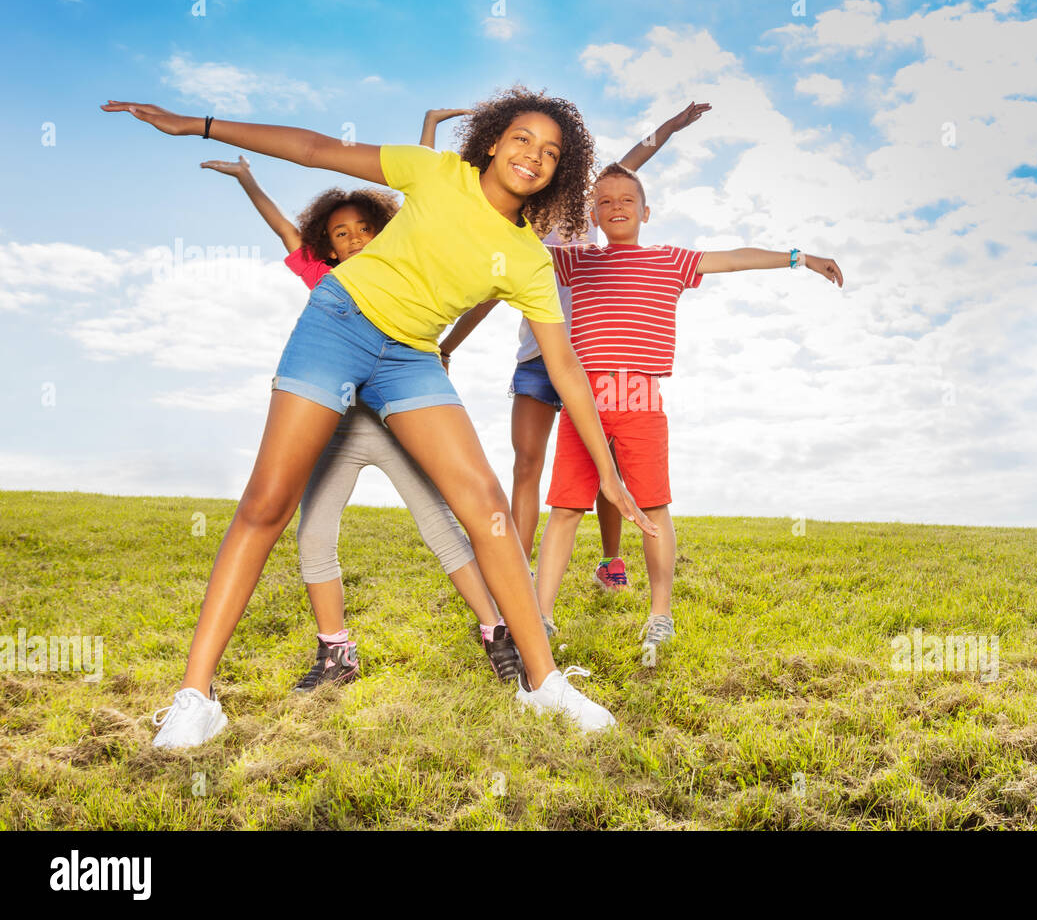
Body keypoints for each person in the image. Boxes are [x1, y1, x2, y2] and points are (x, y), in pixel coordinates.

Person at [103, 86, 657, 747]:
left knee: (485, 507)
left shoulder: (530, 259)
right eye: (521, 139)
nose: (534, 156)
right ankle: (197, 696)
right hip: (339, 322)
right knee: (268, 502)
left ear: (558, 173)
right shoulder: (436, 173)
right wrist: (198, 124)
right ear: (489, 143)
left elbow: (564, 369)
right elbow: (317, 150)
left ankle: (543, 685)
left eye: (550, 152)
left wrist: (607, 471)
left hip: (410, 359)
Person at [199, 109, 524, 691]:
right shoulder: (325, 280)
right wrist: (249, 178)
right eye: (340, 234)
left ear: (384, 232)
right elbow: (283, 228)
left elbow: (416, 192)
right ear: (328, 242)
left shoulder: (407, 257)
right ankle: (336, 653)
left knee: (440, 523)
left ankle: (496, 629)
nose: (352, 240)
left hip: (395, 419)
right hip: (336, 426)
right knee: (314, 532)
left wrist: (425, 128)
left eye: (363, 231)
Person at [533, 162, 842, 659]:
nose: (615, 208)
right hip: (583, 401)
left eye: (626, 200)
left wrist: (798, 257)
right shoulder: (577, 260)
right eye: (605, 201)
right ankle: (540, 616)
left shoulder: (669, 260)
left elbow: (736, 259)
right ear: (592, 212)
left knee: (653, 506)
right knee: (566, 506)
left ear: (646, 211)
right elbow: (511, 250)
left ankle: (660, 615)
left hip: (641, 402)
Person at [436, 102, 711, 616]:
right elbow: (487, 297)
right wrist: (448, 344)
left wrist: (671, 127)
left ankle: (611, 560)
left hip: (596, 359)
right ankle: (518, 569)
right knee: (530, 465)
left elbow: (631, 164)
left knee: (610, 462)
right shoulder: (520, 231)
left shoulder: (585, 216)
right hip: (540, 359)